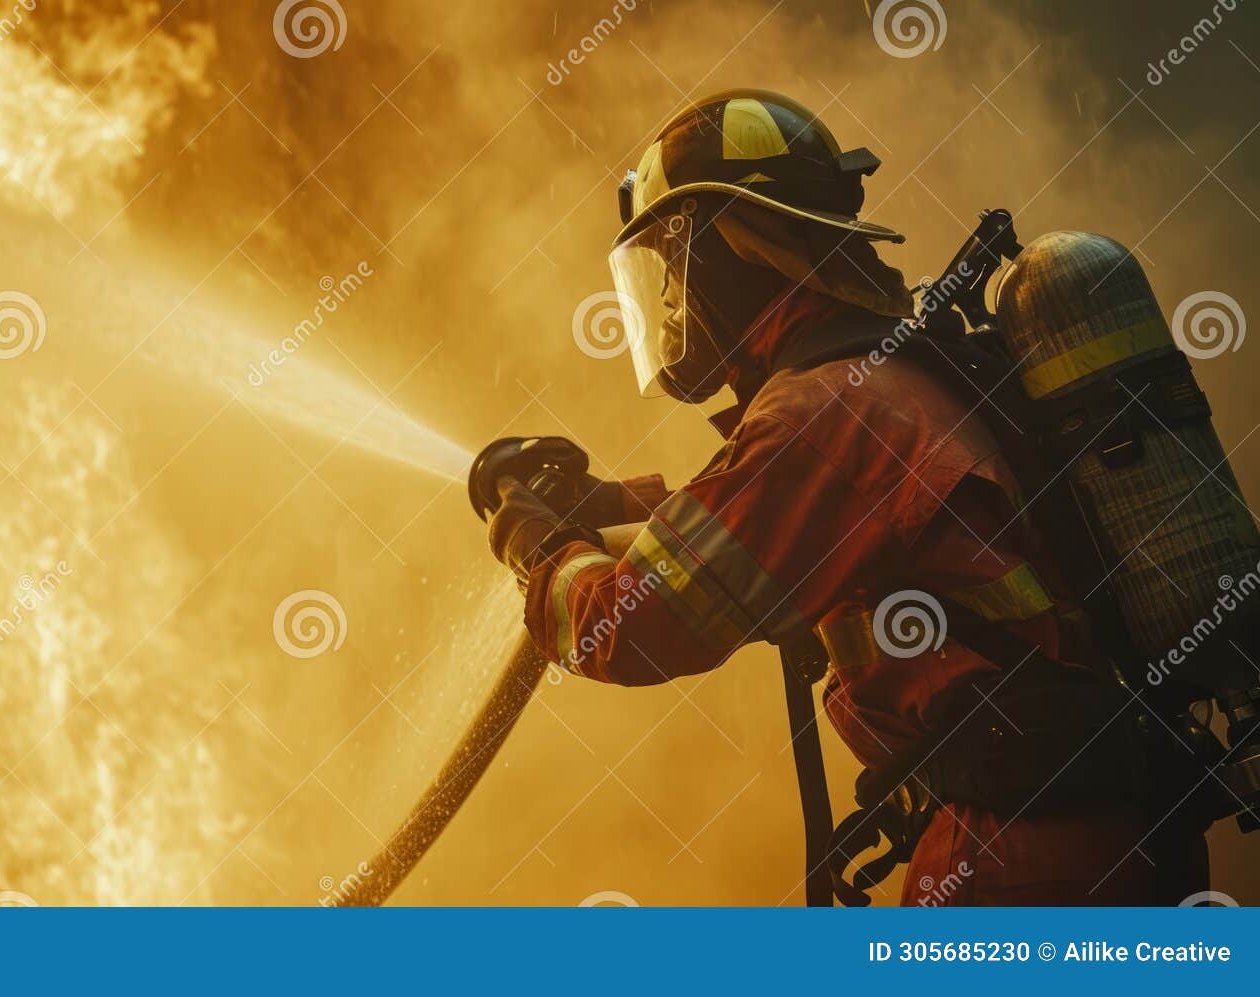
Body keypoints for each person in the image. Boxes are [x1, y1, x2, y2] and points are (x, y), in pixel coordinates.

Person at [483, 90, 1208, 905]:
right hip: (1091, 832)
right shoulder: (877, 378)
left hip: (1019, 859)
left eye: (673, 263)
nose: (670, 302)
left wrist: (539, 552)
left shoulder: (820, 413)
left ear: (729, 248)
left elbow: (637, 625)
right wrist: (601, 503)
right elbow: (762, 523)